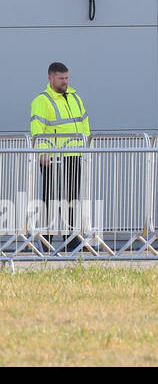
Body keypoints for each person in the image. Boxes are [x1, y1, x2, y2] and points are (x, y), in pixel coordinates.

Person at [30, 62, 90, 252]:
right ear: (51, 78)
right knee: (51, 199)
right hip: (52, 157)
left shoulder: (75, 97)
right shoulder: (42, 100)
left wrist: (87, 148)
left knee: (72, 198)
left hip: (73, 155)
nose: (65, 82)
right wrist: (41, 152)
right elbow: (37, 129)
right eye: (61, 78)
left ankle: (71, 240)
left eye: (66, 78)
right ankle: (46, 242)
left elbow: (84, 124)